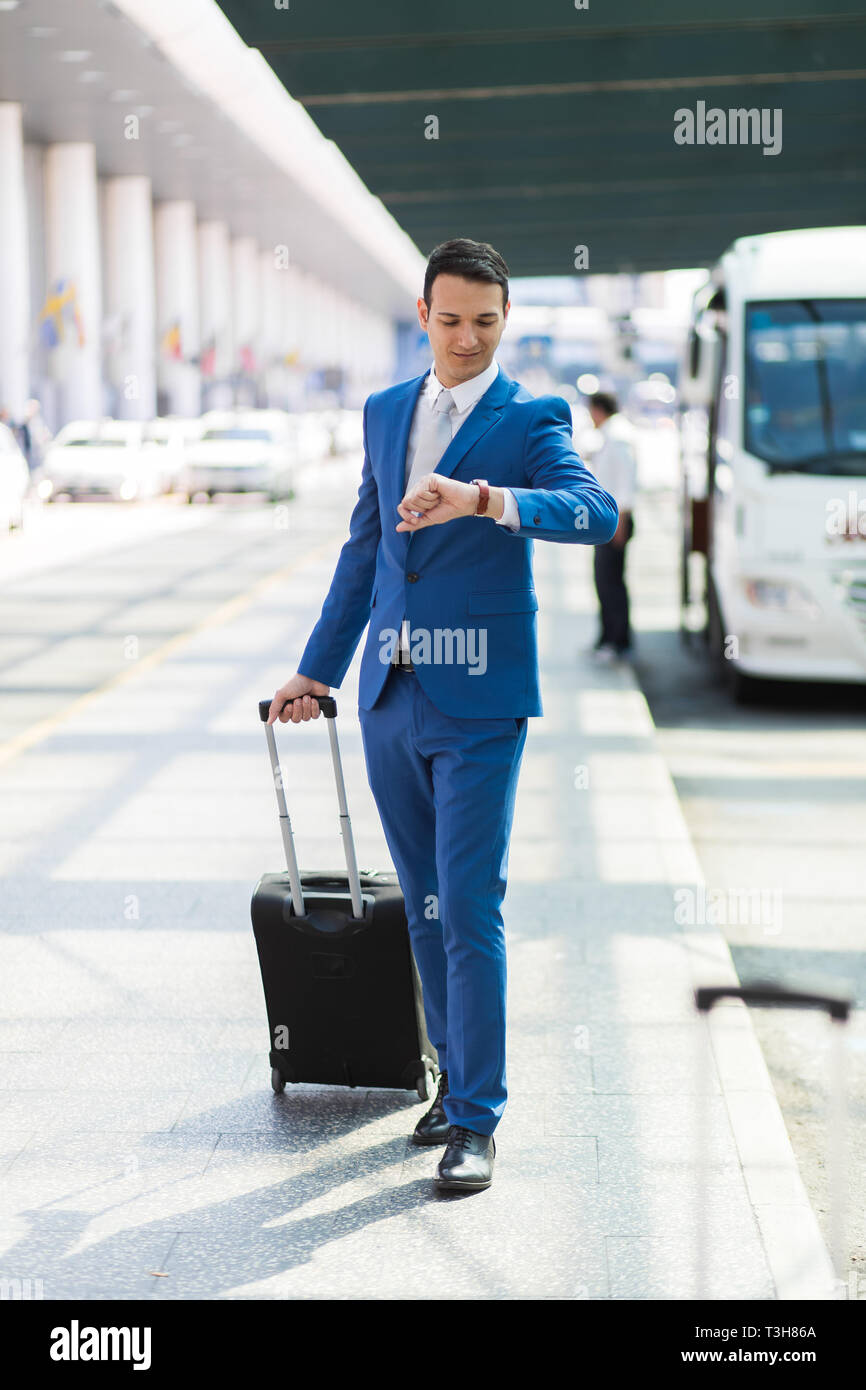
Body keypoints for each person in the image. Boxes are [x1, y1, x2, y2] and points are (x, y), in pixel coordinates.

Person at [268, 239, 617, 1193]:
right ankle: (451, 1080)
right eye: (452, 319)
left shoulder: (531, 415)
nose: (468, 338)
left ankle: (478, 1120)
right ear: (422, 315)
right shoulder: (386, 412)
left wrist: (484, 500)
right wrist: (316, 672)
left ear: (507, 324)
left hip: (480, 701)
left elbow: (597, 513)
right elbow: (364, 553)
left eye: (487, 322)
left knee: (469, 906)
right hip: (390, 695)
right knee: (422, 909)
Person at [585, 391, 638, 662]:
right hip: (611, 518)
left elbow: (625, 484)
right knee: (606, 581)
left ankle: (617, 642)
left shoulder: (618, 437)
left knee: (610, 582)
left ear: (598, 410)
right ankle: (609, 638)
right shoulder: (612, 435)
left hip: (616, 520)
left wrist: (621, 523)